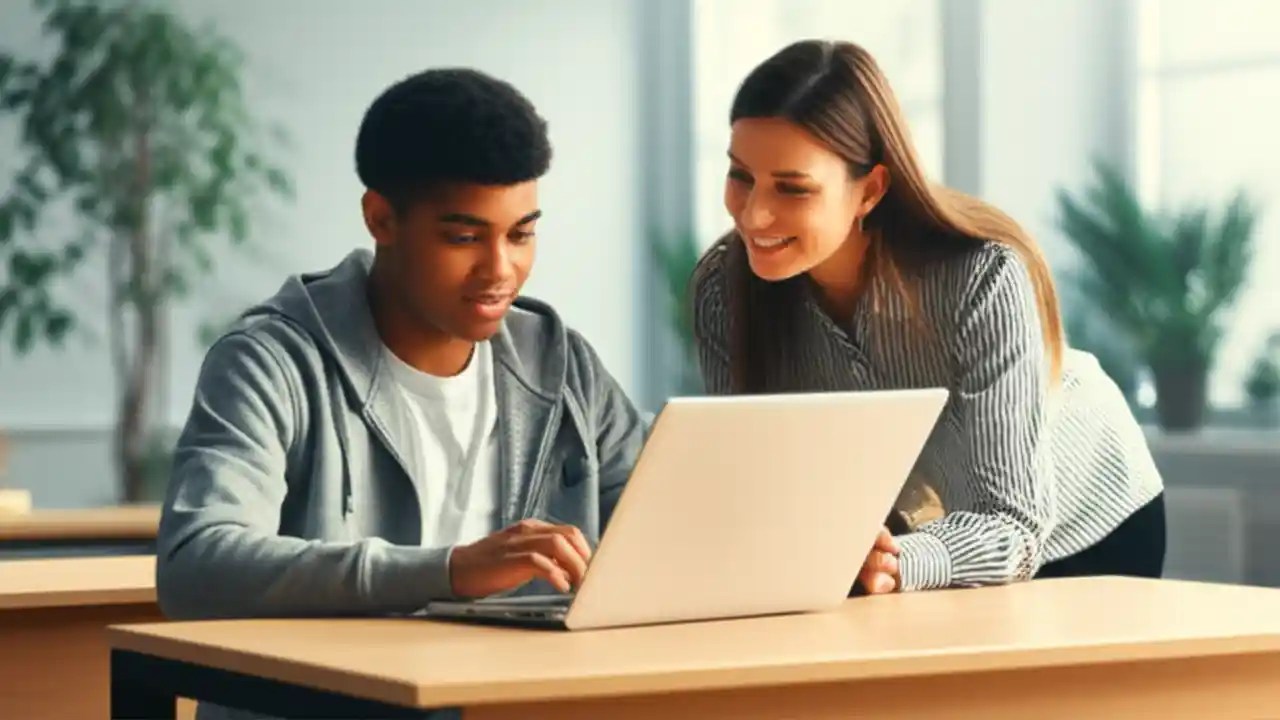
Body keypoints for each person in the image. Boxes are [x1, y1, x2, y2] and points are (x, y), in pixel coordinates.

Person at [156, 68, 648, 631]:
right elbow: (194, 566)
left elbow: (675, 530)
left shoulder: (563, 368)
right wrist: (450, 571)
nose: (500, 269)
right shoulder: (269, 364)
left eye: (520, 234)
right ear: (381, 218)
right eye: (464, 238)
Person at [691, 40, 1166, 596]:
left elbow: (1013, 524)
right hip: (918, 542)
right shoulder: (724, 289)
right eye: (740, 176)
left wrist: (893, 561)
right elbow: (754, 487)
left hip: (1086, 523)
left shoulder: (979, 276)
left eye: (793, 188)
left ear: (870, 190)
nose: (753, 215)